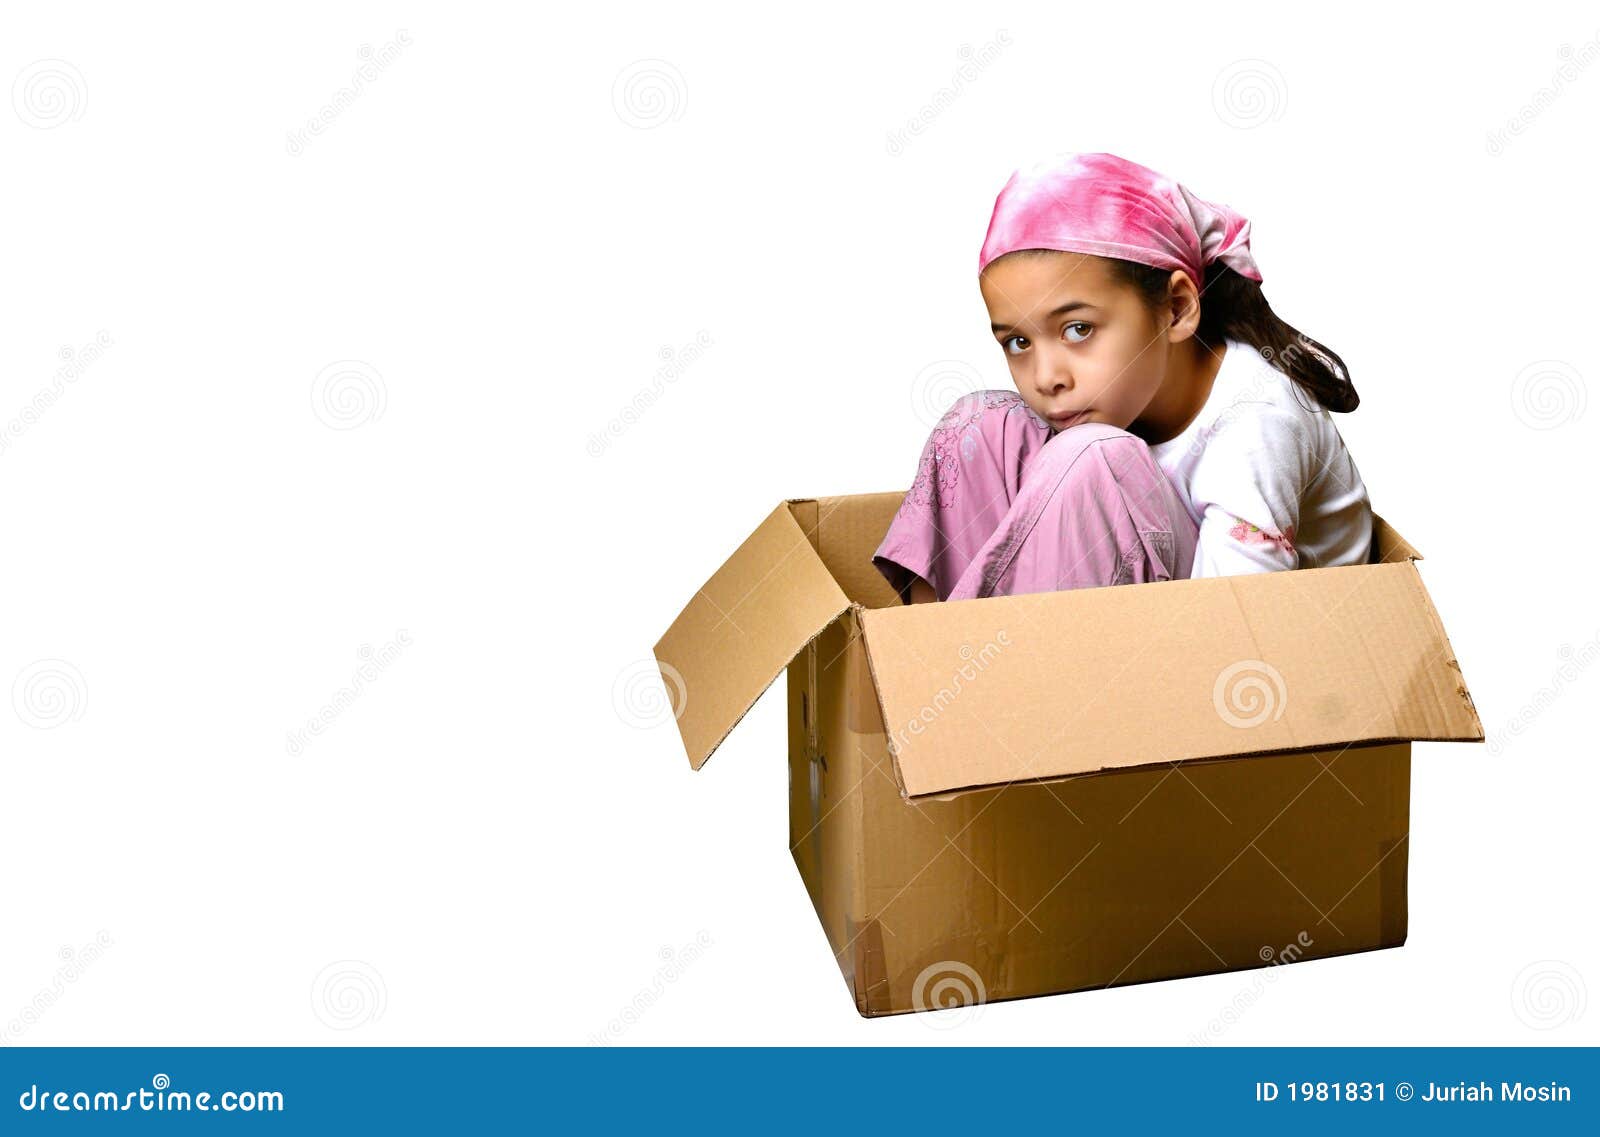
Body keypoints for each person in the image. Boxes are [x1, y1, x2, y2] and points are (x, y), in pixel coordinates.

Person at [872, 151, 1372, 604]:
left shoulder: (1257, 425)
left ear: (1177, 308)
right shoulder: (1124, 398)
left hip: (1247, 636)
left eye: (1078, 329)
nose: (1046, 378)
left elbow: (1235, 627)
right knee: (981, 423)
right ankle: (934, 649)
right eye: (1018, 342)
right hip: (1133, 611)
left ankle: (989, 662)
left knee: (1092, 455)